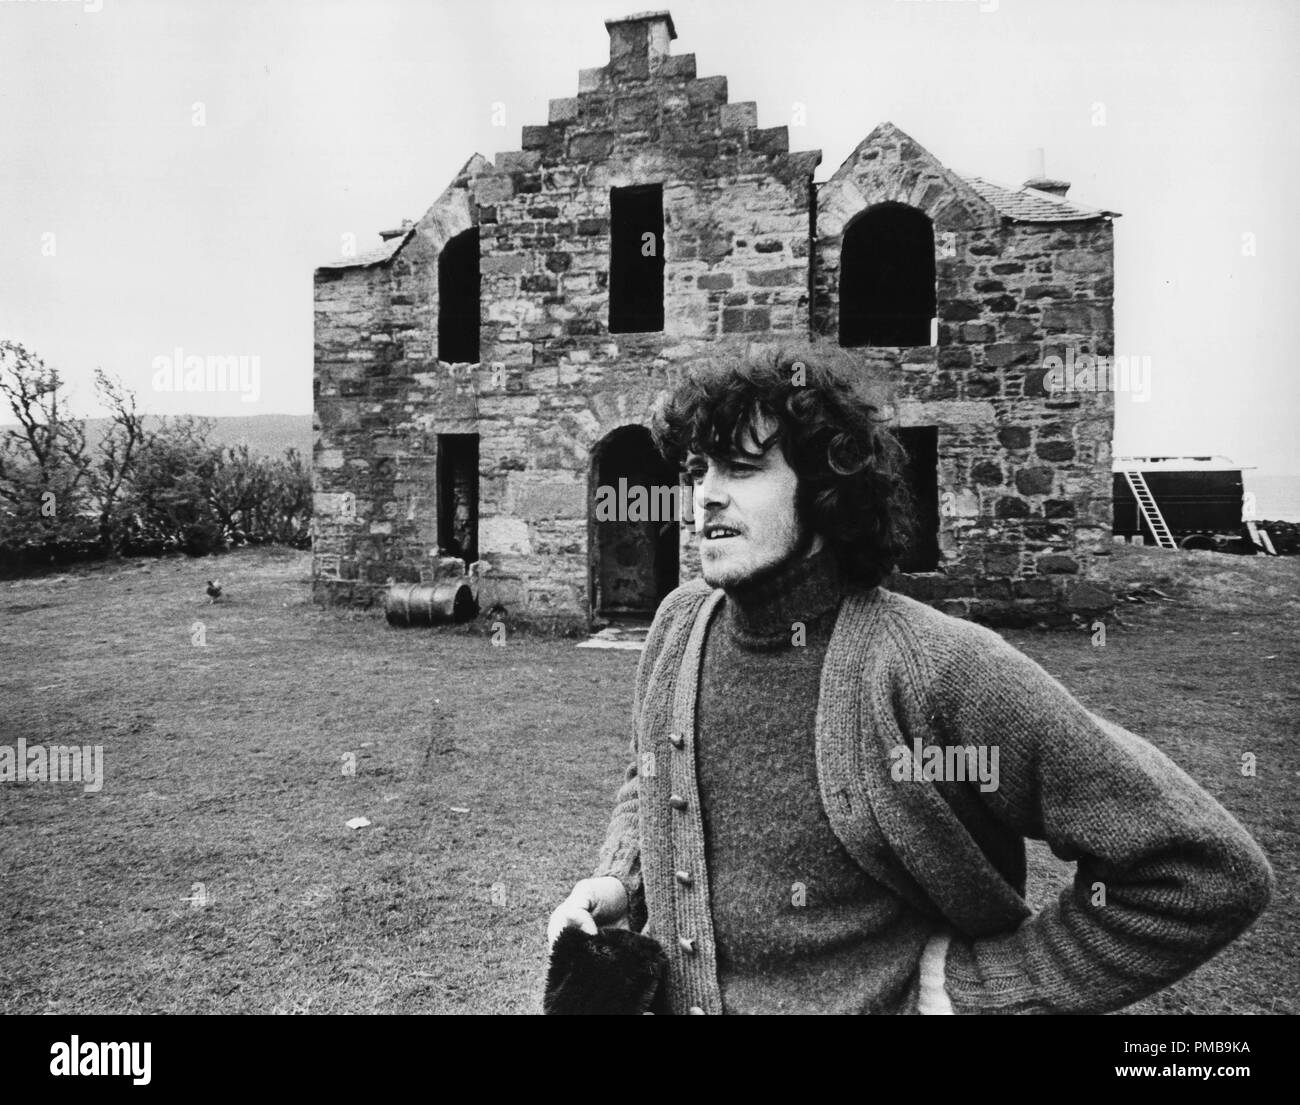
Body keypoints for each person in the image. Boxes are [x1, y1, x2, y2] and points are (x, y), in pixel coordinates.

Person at [546, 346, 1273, 1015]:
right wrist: (620, 881)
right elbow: (652, 774)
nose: (703, 496)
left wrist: (978, 989)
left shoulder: (933, 665)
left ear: (826, 494)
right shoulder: (677, 626)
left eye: (738, 470)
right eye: (696, 471)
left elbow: (1202, 866)